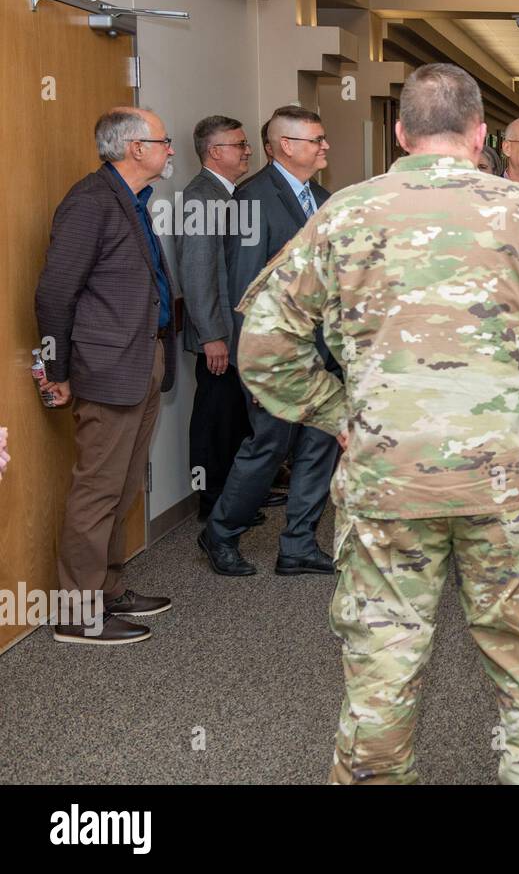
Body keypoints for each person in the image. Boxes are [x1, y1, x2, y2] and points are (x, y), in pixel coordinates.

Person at [234, 62, 519, 784]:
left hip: (387, 481)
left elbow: (264, 344)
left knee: (383, 670)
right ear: (482, 133)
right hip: (509, 482)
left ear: (400, 132)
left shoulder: (346, 214)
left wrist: (338, 414)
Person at [35, 107, 178, 644]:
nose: (169, 149)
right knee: (97, 489)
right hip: (106, 366)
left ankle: (108, 589)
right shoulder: (91, 202)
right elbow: (53, 293)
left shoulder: (135, 201)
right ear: (134, 148)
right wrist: (56, 370)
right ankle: (77, 613)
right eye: (163, 141)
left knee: (122, 485)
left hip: (144, 357)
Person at [198, 105, 338, 577]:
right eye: (316, 139)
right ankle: (220, 532)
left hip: (323, 351)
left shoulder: (322, 196)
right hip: (276, 353)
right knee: (268, 447)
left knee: (320, 445)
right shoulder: (252, 199)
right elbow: (242, 286)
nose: (325, 147)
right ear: (285, 146)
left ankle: (298, 544)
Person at [176, 115, 253, 521]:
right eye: (239, 145)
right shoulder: (201, 197)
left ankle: (232, 500)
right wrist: (211, 336)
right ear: (215, 152)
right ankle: (214, 504)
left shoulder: (227, 194)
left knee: (233, 420)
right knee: (214, 420)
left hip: (230, 332)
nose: (247, 151)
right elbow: (197, 270)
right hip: (217, 334)